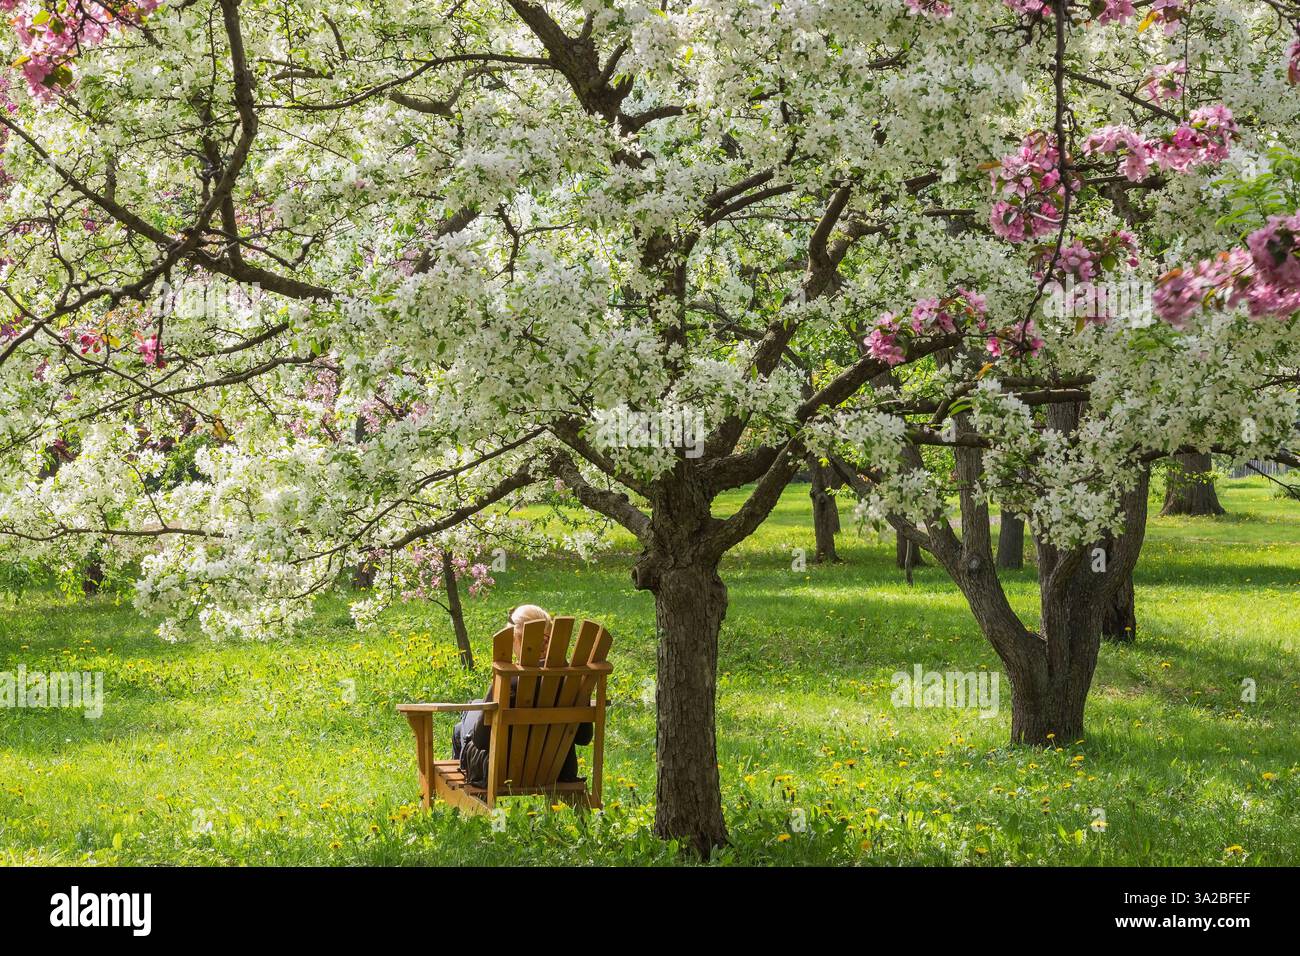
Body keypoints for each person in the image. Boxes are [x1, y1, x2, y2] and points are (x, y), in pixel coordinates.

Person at [451, 605, 593, 789]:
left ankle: (456, 804)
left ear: (516, 639)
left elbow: (481, 740)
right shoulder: (574, 681)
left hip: (500, 772)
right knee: (475, 709)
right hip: (557, 771)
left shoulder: (508, 680)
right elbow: (584, 737)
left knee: (461, 726)